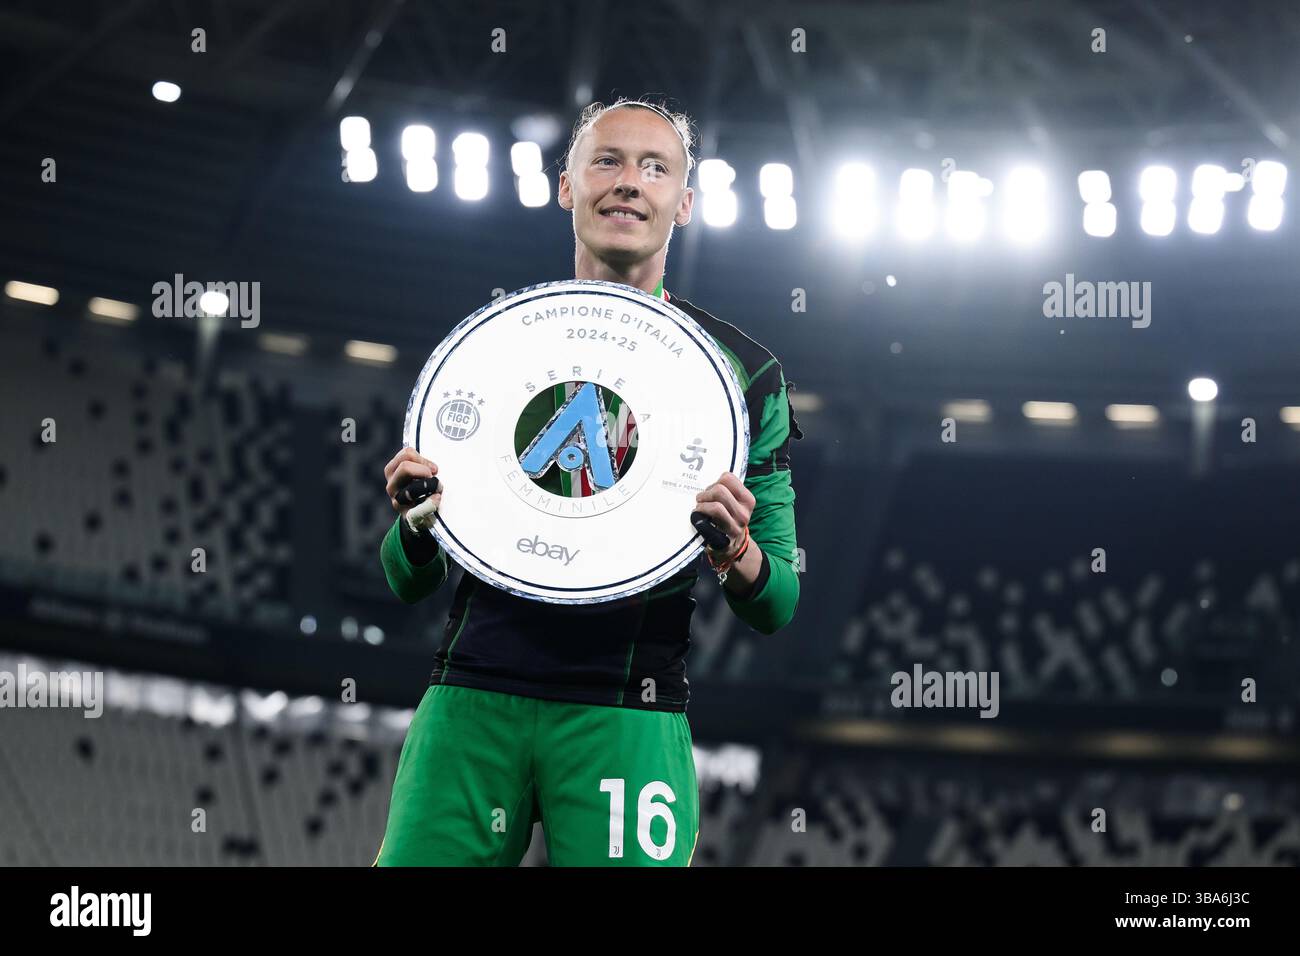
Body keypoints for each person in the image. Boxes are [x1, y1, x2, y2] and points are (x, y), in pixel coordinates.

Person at [373, 97, 803, 866]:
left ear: (685, 202)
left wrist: (735, 550)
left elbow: (777, 601)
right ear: (565, 186)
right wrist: (413, 525)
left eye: (655, 167)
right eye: (606, 161)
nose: (629, 183)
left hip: (625, 710)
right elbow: (406, 580)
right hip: (473, 697)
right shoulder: (489, 348)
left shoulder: (742, 376)